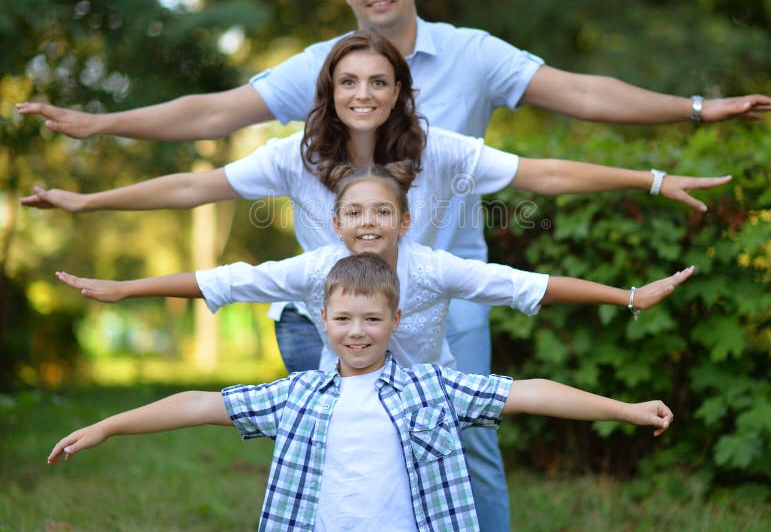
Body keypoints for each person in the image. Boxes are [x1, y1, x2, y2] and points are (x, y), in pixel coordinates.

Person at [23, 29, 727, 530]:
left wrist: (654, 182)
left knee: (445, 454)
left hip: (422, 354)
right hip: (320, 322)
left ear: (401, 90)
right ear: (328, 91)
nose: (363, 93)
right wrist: (90, 202)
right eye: (348, 80)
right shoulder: (295, 173)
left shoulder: (437, 181)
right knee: (331, 444)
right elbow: (200, 213)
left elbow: (537, 205)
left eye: (379, 80)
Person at [48, 253, 674, 532]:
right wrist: (108, 425)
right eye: (344, 320)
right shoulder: (297, 397)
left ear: (396, 322)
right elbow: (196, 403)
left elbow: (532, 392)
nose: (357, 332)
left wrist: (624, 411)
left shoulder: (434, 388)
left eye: (372, 320)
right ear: (323, 320)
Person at [54, 163, 696, 371]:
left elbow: (528, 287)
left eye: (380, 213)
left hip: (425, 391)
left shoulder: (435, 266)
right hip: (350, 388)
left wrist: (629, 296)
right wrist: (125, 289)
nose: (366, 223)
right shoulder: (315, 268)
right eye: (353, 213)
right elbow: (223, 281)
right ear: (335, 224)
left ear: (405, 221)